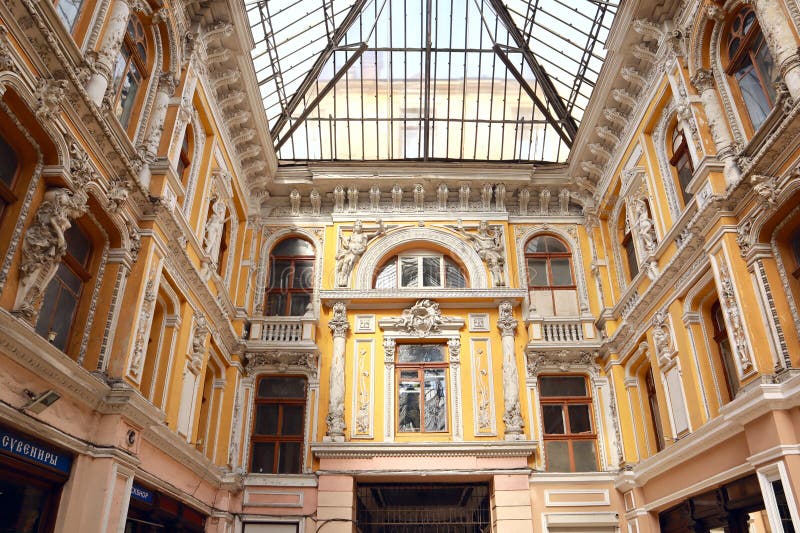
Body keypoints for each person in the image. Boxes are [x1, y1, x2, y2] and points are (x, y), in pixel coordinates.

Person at [335, 219, 384, 287]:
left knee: (349, 261)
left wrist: (381, 225)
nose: (358, 226)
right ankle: (342, 278)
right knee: (345, 262)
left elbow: (376, 233)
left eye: (360, 225)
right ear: (354, 227)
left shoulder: (364, 235)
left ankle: (346, 277)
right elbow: (346, 244)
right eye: (357, 225)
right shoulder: (351, 236)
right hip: (350, 251)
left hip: (357, 252)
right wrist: (342, 237)